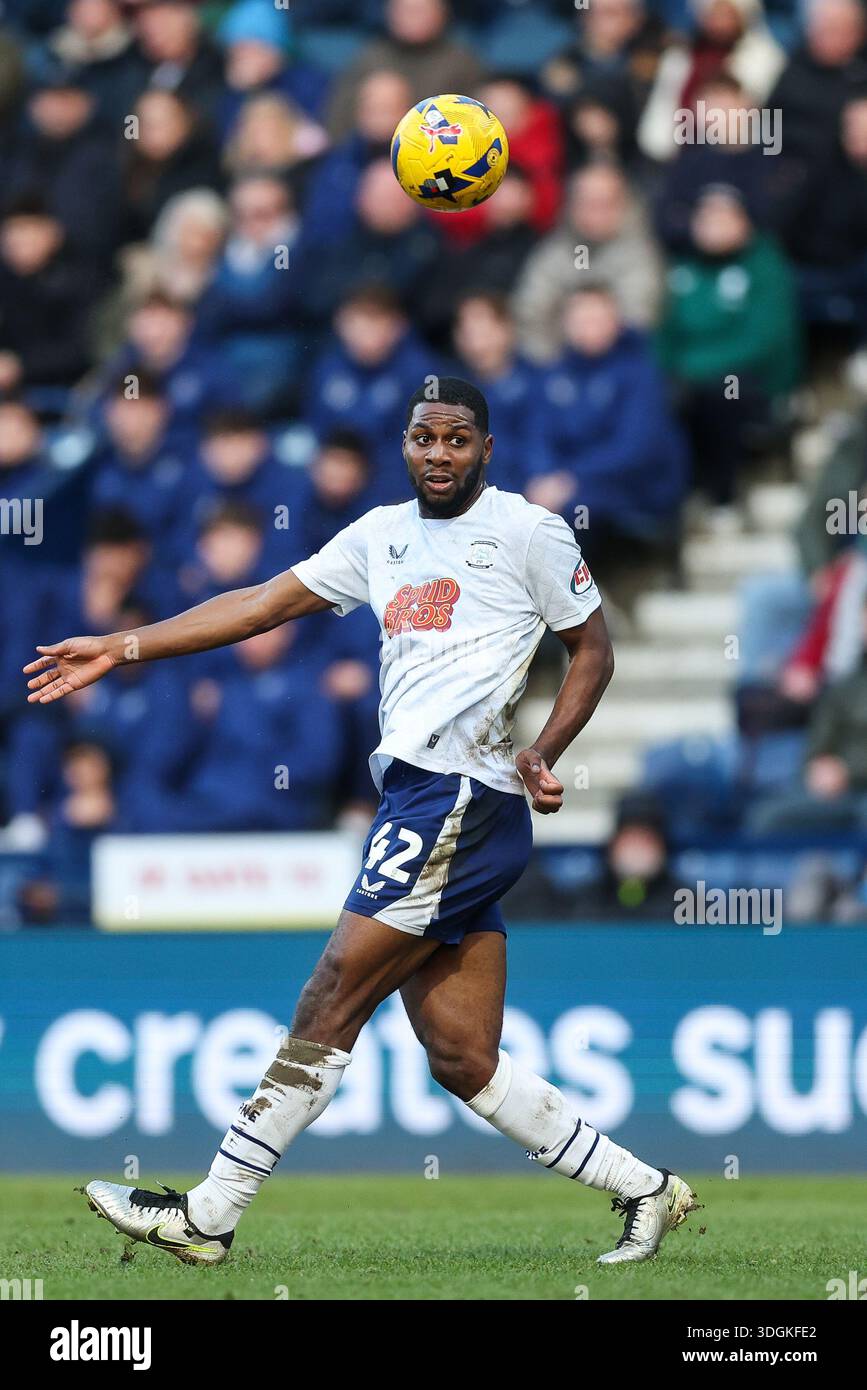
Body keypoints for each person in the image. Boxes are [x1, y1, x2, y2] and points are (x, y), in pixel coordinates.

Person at [24, 377, 698, 1267]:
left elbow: (592, 646)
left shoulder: (528, 531)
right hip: (420, 797)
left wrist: (546, 746)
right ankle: (646, 1190)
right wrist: (123, 644)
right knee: (461, 1056)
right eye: (424, 437)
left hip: (462, 794)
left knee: (330, 990)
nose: (439, 454)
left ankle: (208, 1215)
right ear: (406, 444)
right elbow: (260, 603)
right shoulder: (379, 536)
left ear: (486, 451)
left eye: (458, 439)